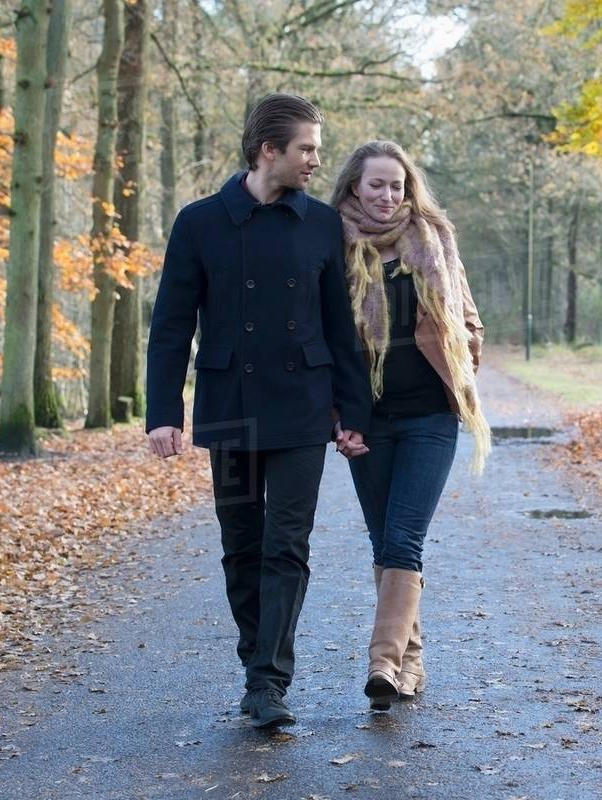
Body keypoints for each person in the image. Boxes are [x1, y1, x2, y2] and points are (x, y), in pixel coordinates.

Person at [145, 94, 372, 730]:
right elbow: (170, 326)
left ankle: (269, 681)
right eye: (306, 149)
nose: (315, 161)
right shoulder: (199, 223)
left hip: (302, 409)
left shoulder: (321, 225)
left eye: (317, 150)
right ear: (268, 150)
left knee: (287, 544)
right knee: (241, 542)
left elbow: (340, 326)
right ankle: (256, 662)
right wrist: (164, 411)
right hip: (233, 409)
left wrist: (351, 410)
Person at [329, 140, 491, 711]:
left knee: (403, 538)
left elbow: (466, 313)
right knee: (385, 541)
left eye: (396, 185)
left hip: (429, 415)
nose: (387, 194)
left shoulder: (433, 237)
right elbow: (325, 338)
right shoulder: (332, 241)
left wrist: (465, 355)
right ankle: (410, 661)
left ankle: (382, 661)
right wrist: (336, 416)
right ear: (354, 186)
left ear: (408, 187)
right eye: (376, 184)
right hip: (367, 420)